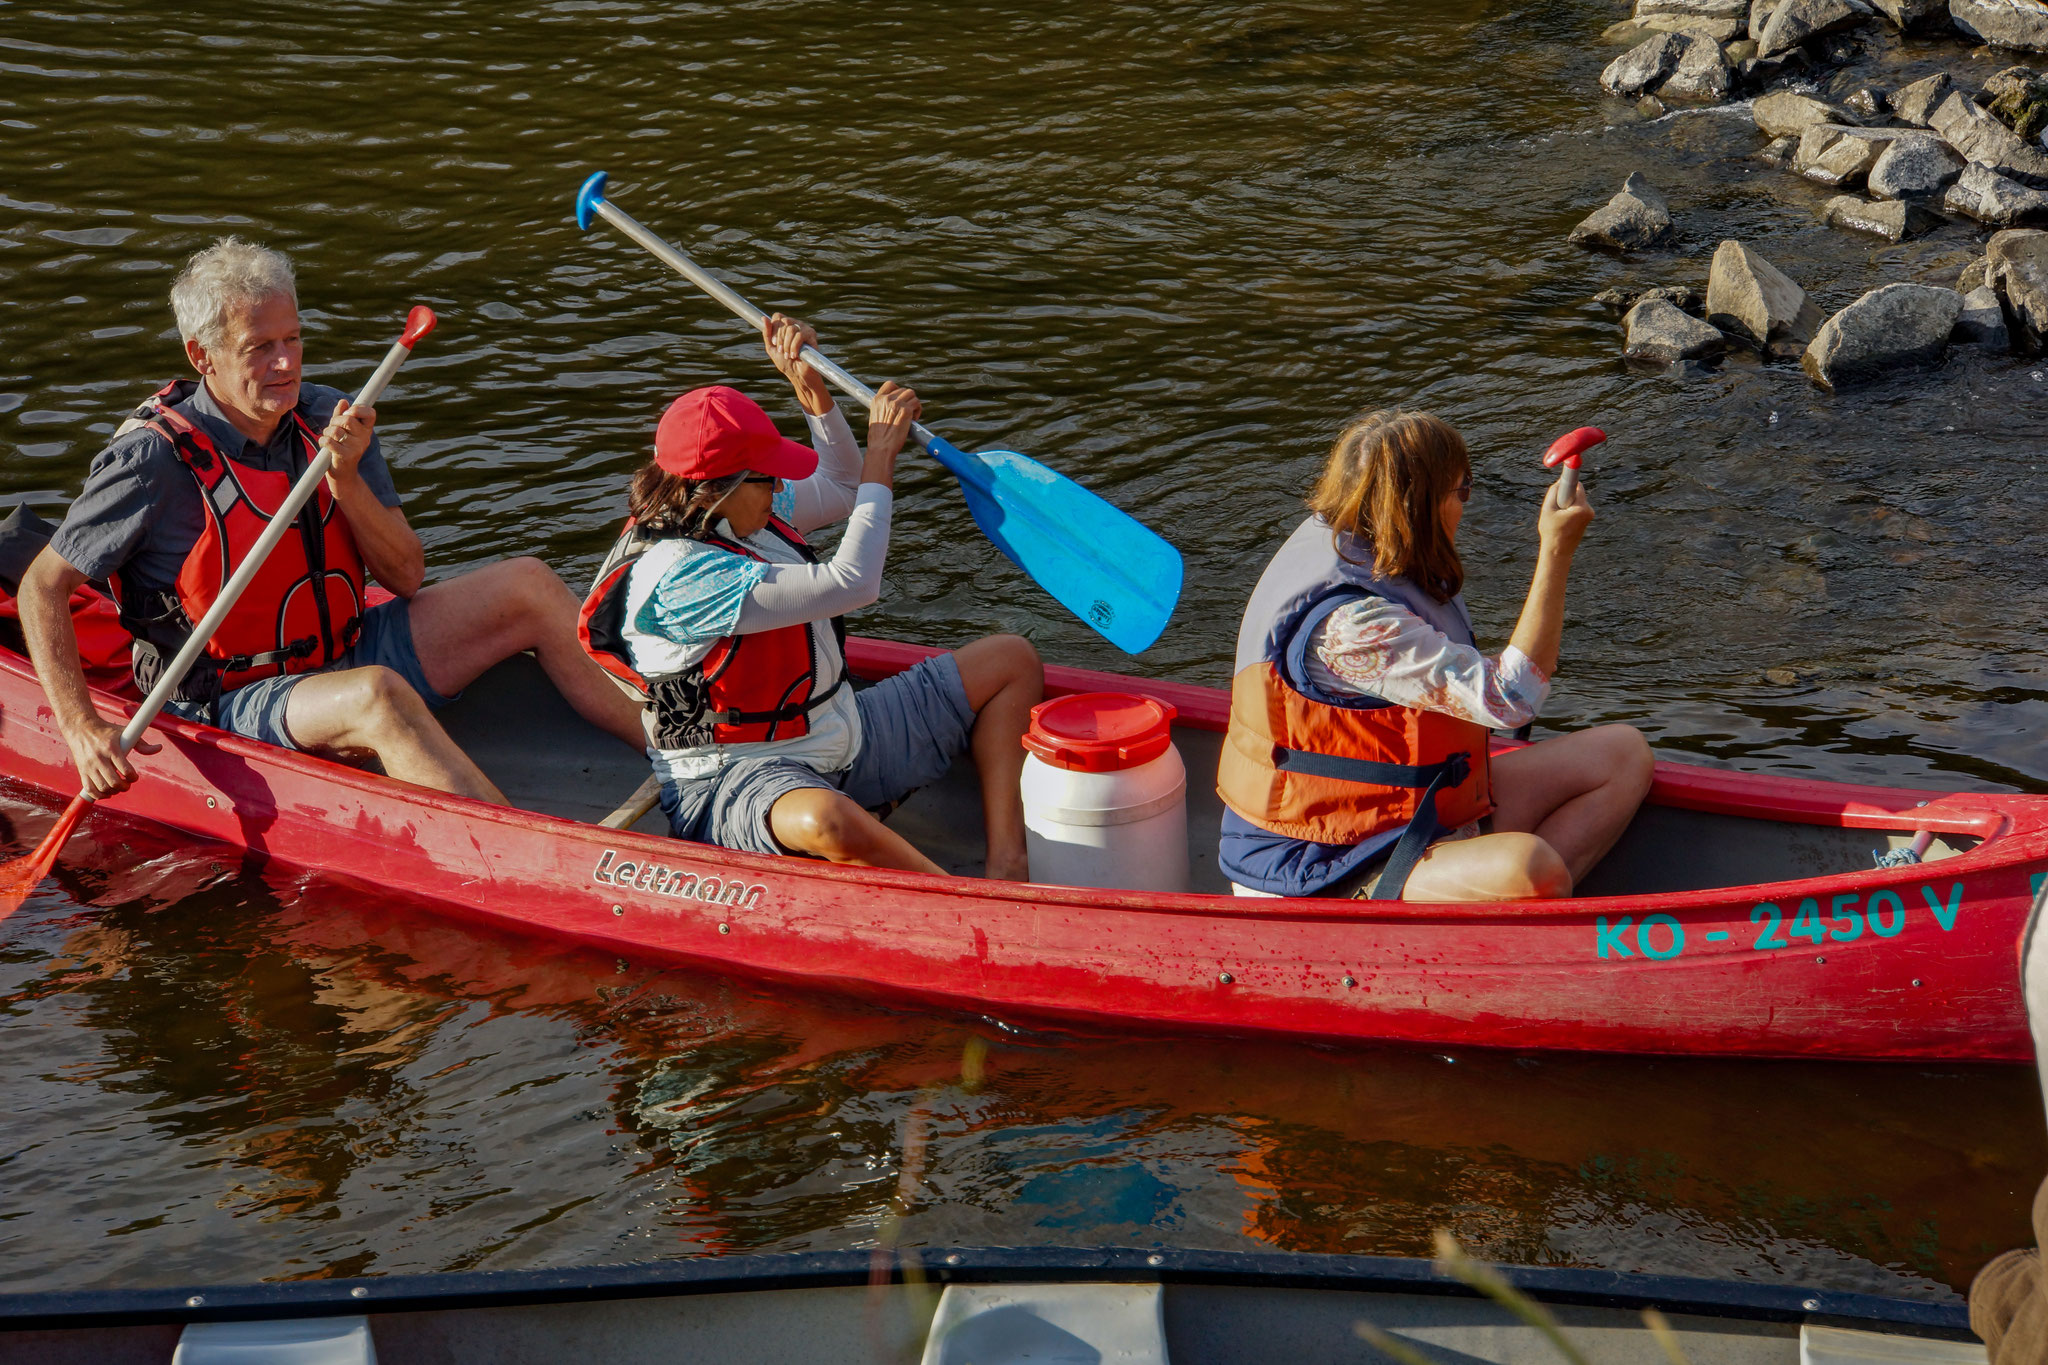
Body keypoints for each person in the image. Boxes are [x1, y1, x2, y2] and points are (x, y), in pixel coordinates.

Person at [17, 236, 646, 805]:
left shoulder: (329, 417)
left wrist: (344, 477)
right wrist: (81, 727)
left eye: (292, 340)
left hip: (343, 646)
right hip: (226, 697)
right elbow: (41, 586)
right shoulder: (149, 461)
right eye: (259, 348)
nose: (286, 364)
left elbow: (405, 576)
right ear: (201, 356)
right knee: (376, 695)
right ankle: (524, 858)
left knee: (528, 585)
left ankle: (691, 762)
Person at [578, 314, 1043, 879]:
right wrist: (882, 457)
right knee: (826, 820)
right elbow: (854, 583)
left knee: (1010, 660)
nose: (779, 489)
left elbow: (843, 488)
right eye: (768, 478)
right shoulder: (679, 580)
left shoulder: (738, 513)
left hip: (838, 734)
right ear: (719, 489)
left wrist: (810, 387)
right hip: (737, 778)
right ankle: (965, 906)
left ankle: (1008, 865)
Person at [1217, 409, 1653, 902]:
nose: (1466, 505)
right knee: (1531, 868)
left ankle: (1503, 914)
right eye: (1462, 489)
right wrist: (1556, 549)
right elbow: (1511, 698)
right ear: (1419, 504)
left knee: (1622, 754)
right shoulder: (1353, 629)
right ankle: (1515, 916)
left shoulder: (1363, 544)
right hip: (1325, 857)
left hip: (1411, 810)